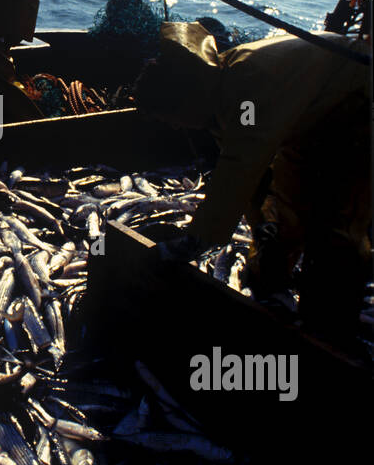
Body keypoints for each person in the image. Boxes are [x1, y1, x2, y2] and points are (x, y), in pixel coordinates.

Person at [132, 21, 371, 347]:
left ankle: (330, 334)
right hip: (309, 121)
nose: (175, 128)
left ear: (184, 101)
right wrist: (261, 226)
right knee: (284, 216)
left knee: (335, 227)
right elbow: (249, 177)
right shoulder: (219, 89)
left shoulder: (246, 90)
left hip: (358, 104)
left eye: (170, 119)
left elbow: (238, 170)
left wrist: (193, 242)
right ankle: (274, 292)